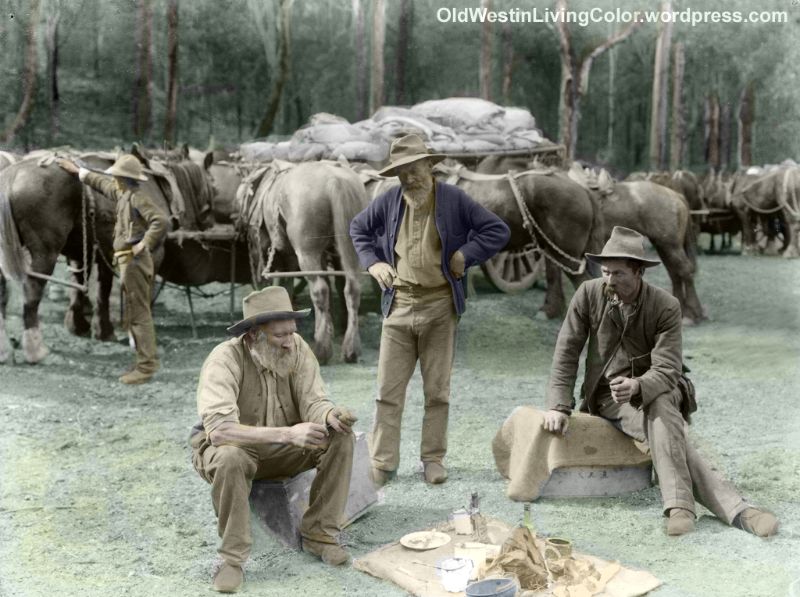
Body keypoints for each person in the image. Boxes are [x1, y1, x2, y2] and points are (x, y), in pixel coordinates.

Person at [542, 226, 779, 537]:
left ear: (639, 272)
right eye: (606, 272)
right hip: (609, 400)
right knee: (670, 431)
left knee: (663, 406)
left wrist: (638, 386)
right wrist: (558, 405)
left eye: (618, 273)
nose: (609, 280)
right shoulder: (588, 293)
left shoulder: (666, 306)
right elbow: (567, 351)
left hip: (659, 390)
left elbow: (667, 369)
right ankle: (737, 511)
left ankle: (681, 508)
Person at [350, 134, 510, 487]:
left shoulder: (453, 198)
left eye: (414, 169)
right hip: (399, 306)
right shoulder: (390, 200)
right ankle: (383, 463)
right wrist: (373, 263)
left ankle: (433, 460)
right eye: (401, 172)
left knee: (437, 391)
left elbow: (497, 230)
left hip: (440, 306)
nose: (409, 178)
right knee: (387, 391)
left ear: (429, 165)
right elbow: (358, 228)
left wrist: (465, 255)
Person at [190, 286, 357, 593]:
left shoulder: (296, 347)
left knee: (340, 438)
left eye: (292, 332)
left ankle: (319, 534)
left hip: (285, 448)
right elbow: (220, 431)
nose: (289, 341)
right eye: (280, 335)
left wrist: (329, 414)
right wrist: (289, 434)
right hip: (238, 449)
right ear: (253, 335)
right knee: (229, 457)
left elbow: (313, 401)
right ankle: (232, 560)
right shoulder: (224, 359)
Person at [58, 155, 167, 384]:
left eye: (117, 176)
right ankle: (143, 361)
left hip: (135, 262)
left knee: (138, 314)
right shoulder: (124, 194)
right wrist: (77, 171)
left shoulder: (137, 198)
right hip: (127, 261)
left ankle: (146, 367)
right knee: (134, 313)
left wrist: (144, 243)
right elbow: (101, 183)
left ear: (125, 179)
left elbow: (161, 221)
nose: (113, 179)